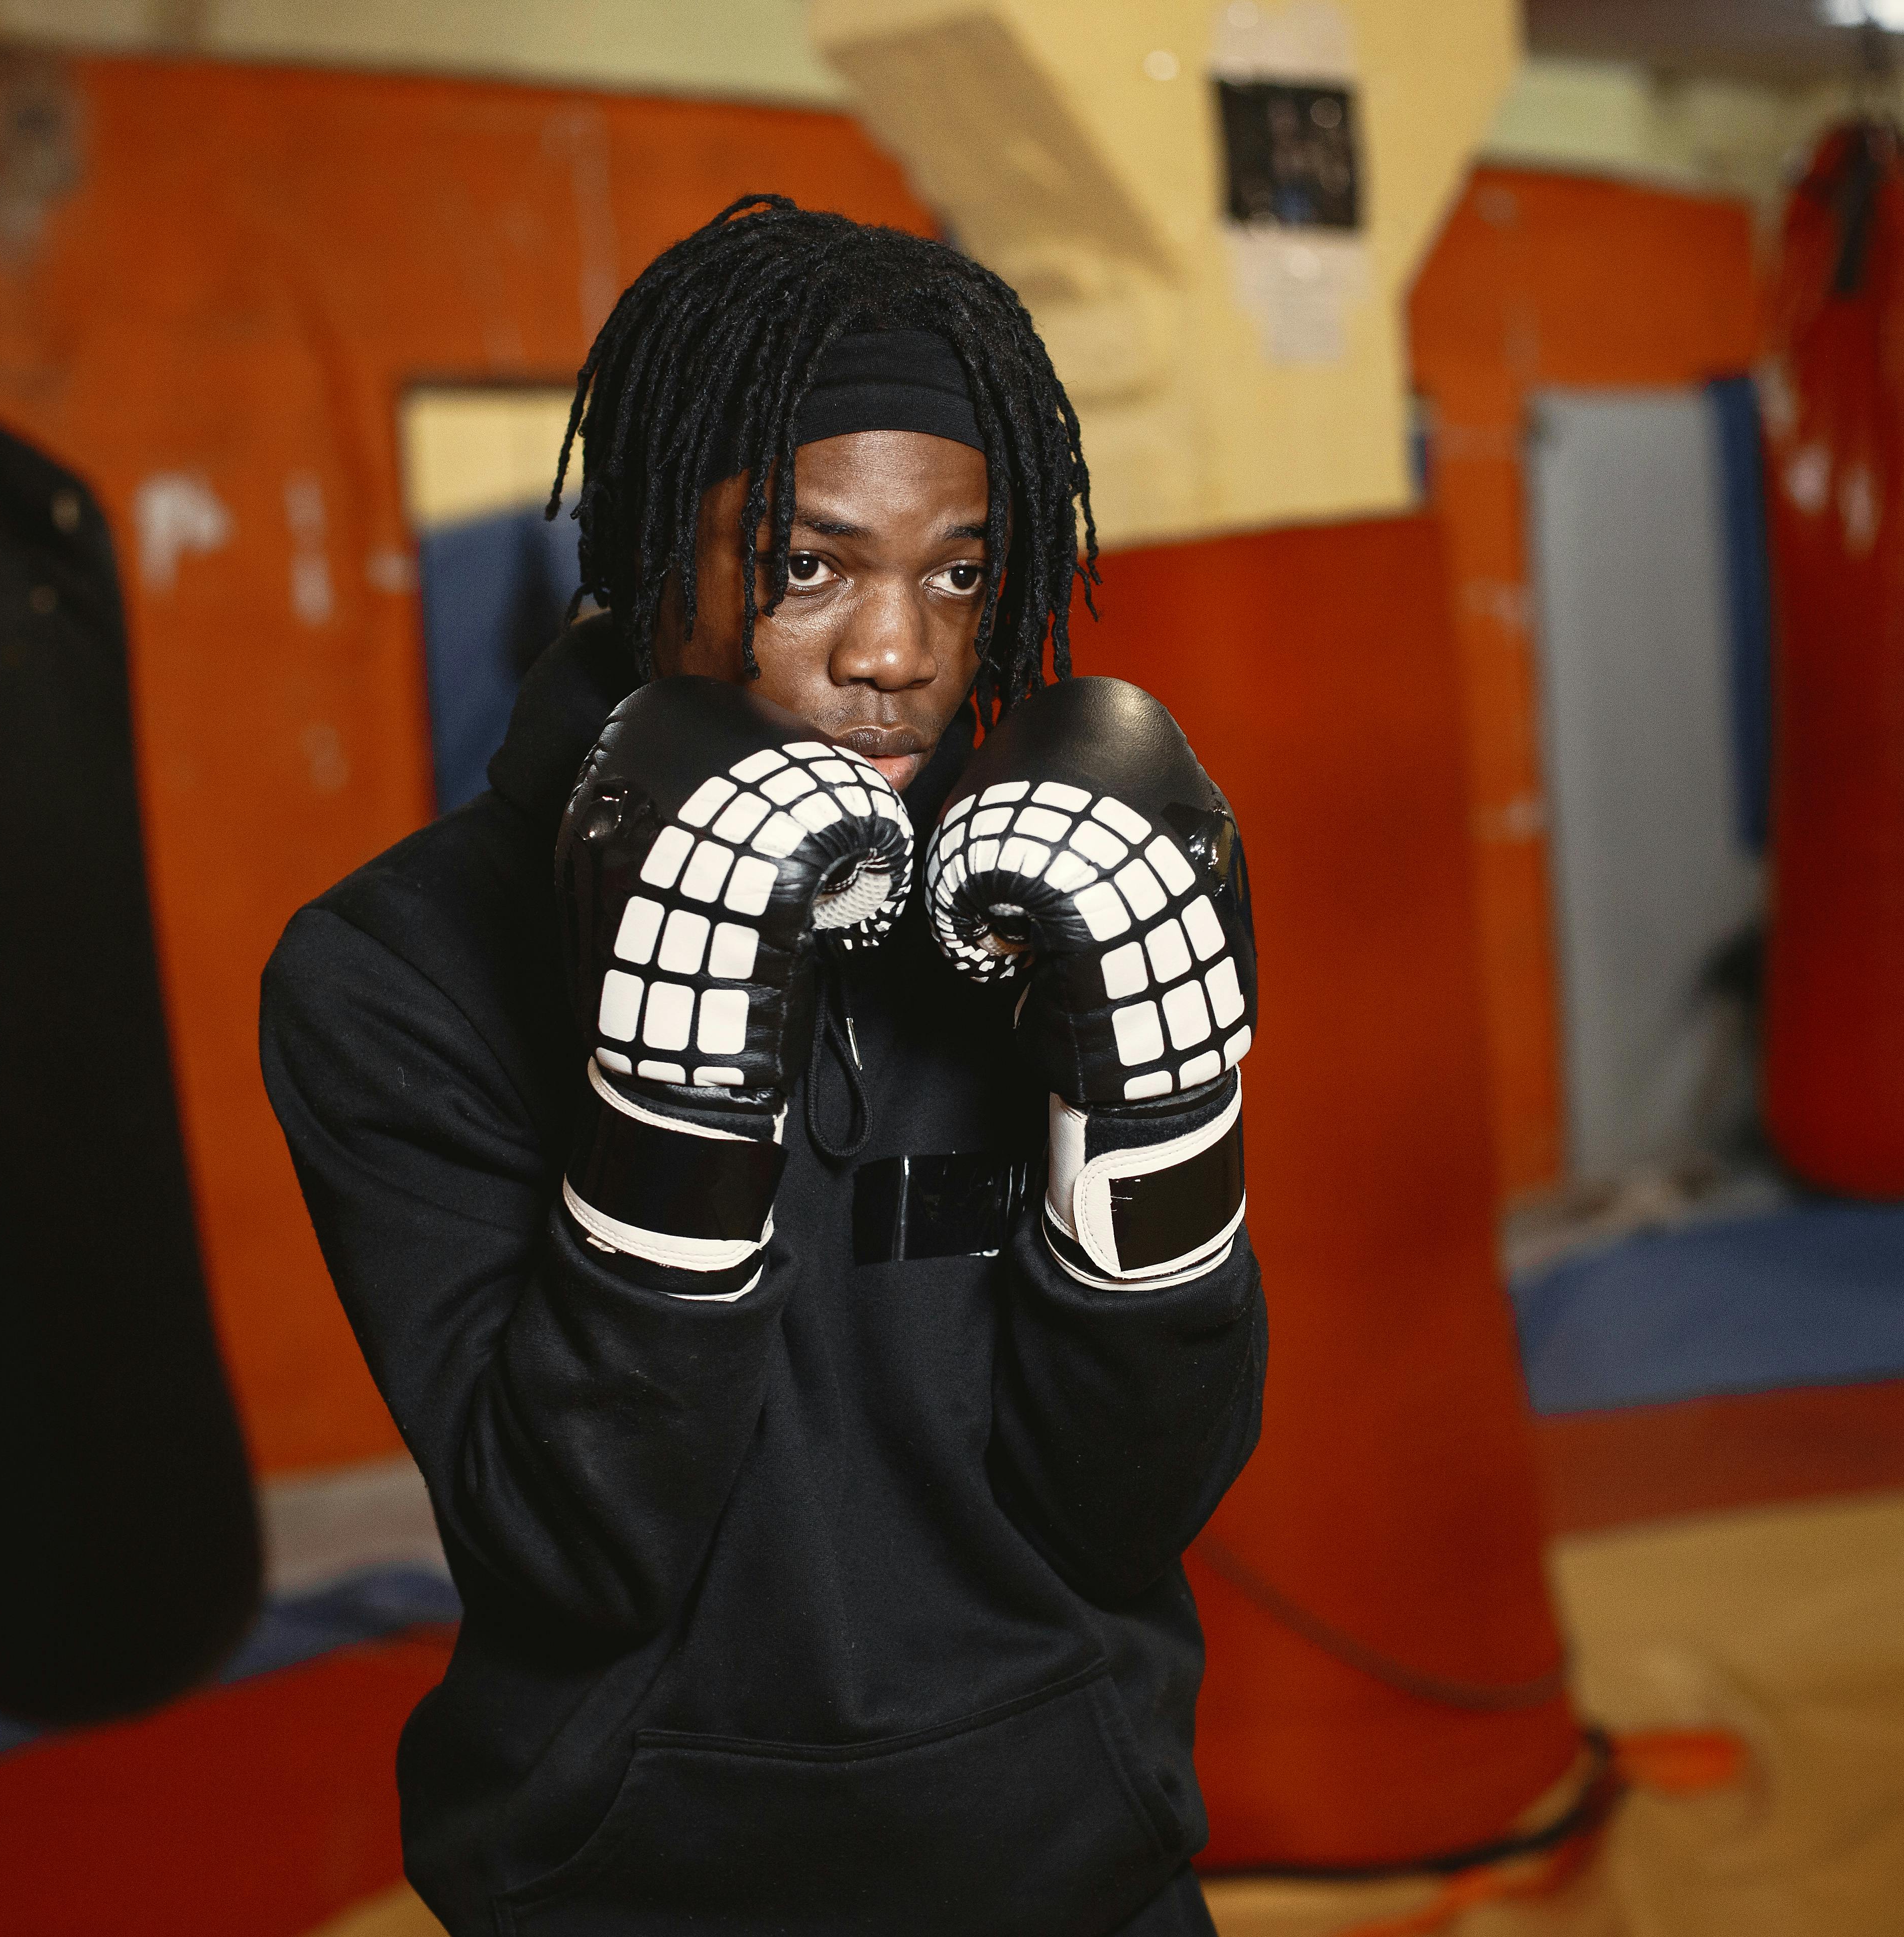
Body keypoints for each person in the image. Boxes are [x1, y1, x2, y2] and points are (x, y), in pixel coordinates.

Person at [261, 194, 1264, 1936]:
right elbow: (581, 1550)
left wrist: (1157, 1123)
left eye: (960, 571)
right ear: (655, 553)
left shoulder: (1046, 900)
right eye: (809, 564)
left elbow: (1139, 1499)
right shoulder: (397, 969)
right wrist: (679, 1068)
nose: (899, 654)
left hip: (1072, 1874)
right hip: (641, 1892)